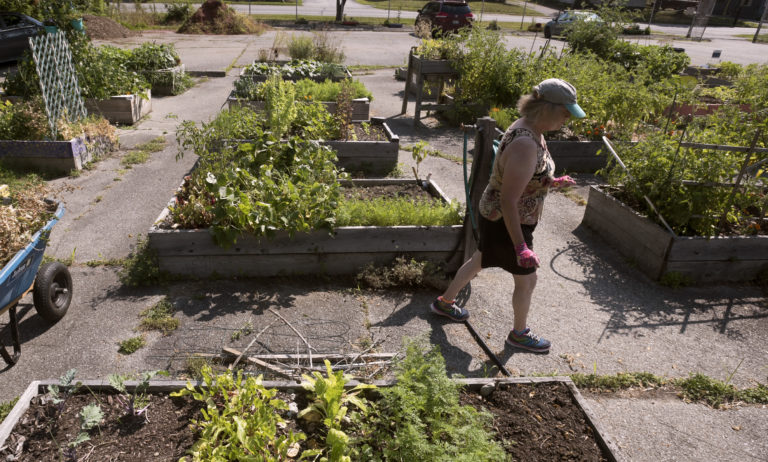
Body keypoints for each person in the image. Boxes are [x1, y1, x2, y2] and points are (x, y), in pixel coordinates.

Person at [430, 78, 586, 354]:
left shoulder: (531, 127)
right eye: (564, 113)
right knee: (527, 280)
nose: (566, 120)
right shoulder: (525, 143)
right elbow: (509, 198)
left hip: (498, 214)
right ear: (547, 109)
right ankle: (519, 334)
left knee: (480, 258)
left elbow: (526, 177)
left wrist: (552, 181)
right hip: (507, 219)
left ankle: (444, 303)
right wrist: (521, 246)